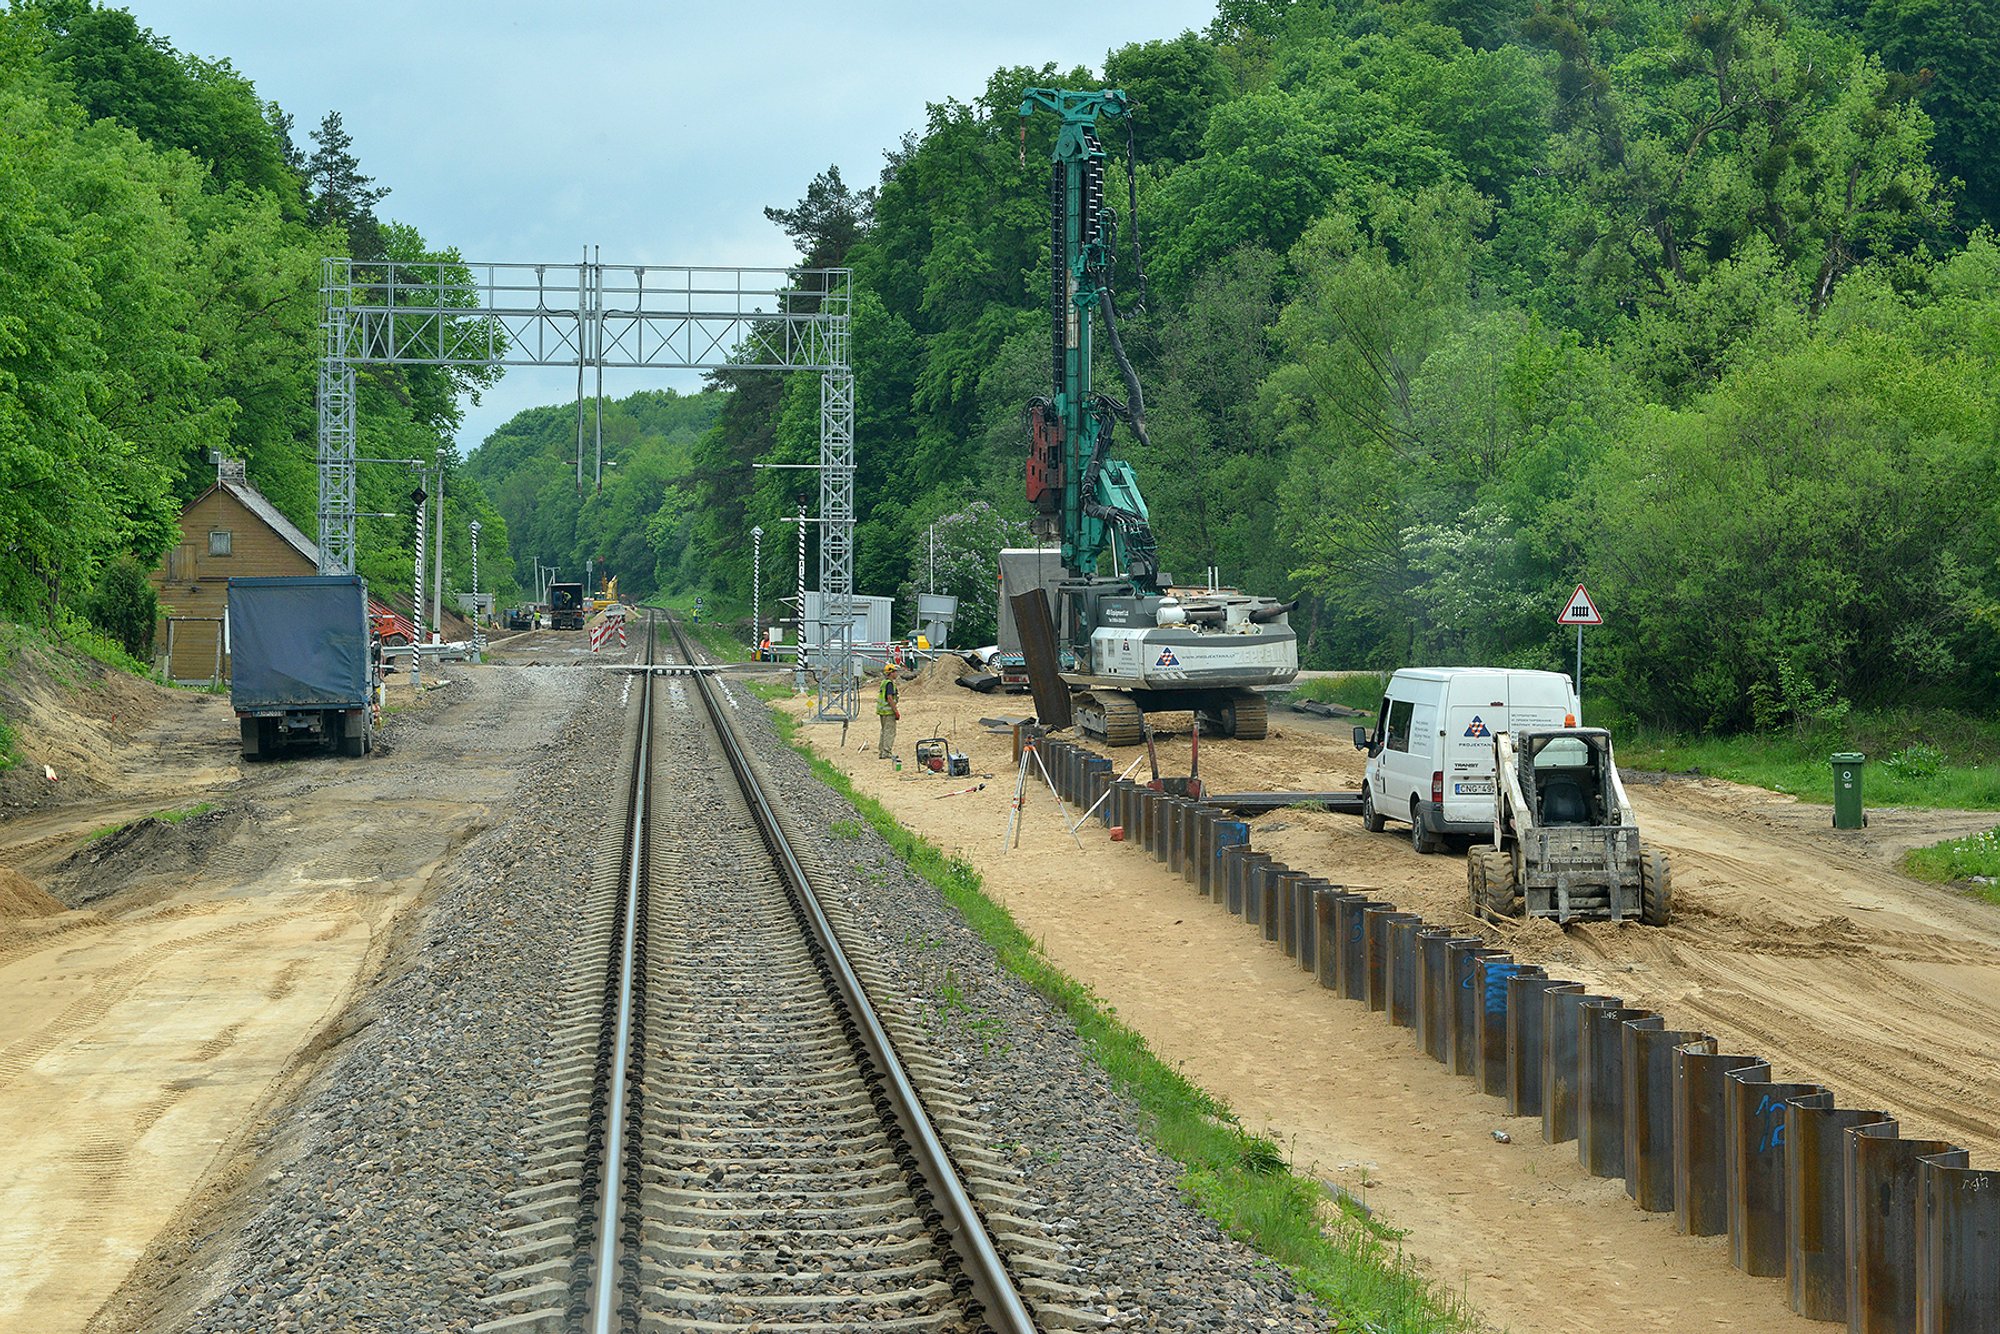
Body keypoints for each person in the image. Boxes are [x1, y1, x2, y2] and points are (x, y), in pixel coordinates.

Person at [876, 662, 900, 759]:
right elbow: (889, 698)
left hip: (882, 711)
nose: (896, 674)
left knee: (884, 731)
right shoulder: (889, 684)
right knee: (889, 732)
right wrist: (896, 711)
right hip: (888, 711)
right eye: (895, 672)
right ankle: (886, 752)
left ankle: (882, 751)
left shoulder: (884, 682)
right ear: (891, 673)